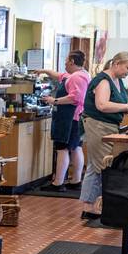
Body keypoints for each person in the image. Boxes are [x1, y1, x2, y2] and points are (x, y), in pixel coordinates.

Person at [79, 51, 128, 220]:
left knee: (94, 165)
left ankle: (89, 207)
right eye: (127, 68)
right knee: (105, 165)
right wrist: (127, 106)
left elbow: (115, 104)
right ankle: (107, 207)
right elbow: (102, 105)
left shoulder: (118, 81)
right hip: (98, 125)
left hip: (108, 125)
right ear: (116, 64)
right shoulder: (103, 80)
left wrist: (127, 108)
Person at [39, 50, 90, 191]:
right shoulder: (81, 74)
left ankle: (58, 183)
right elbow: (59, 75)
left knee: (62, 149)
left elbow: (75, 98)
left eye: (66, 61)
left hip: (70, 118)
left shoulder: (76, 78)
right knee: (76, 147)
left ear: (72, 61)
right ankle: (75, 181)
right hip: (77, 117)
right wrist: (43, 71)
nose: (65, 63)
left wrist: (53, 100)